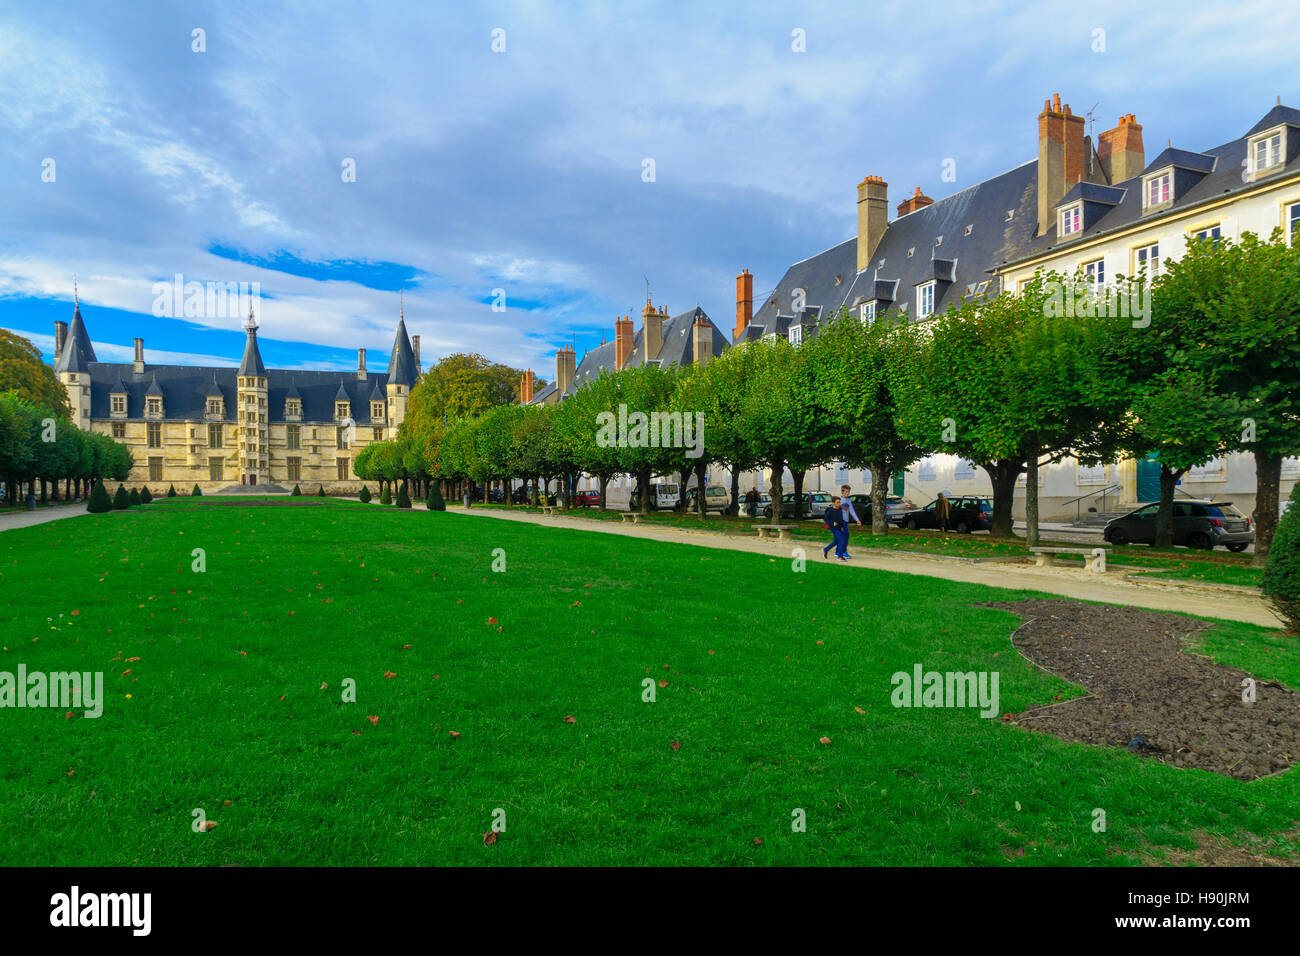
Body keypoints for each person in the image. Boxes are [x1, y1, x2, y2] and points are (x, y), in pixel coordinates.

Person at [839, 484, 863, 558]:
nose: (847, 493)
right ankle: (843, 552)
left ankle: (840, 551)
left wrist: (857, 520)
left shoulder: (848, 500)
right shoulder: (839, 500)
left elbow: (851, 511)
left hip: (845, 521)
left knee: (845, 536)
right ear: (842, 492)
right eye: (846, 492)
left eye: (848, 492)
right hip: (840, 521)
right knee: (843, 536)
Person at [823, 495, 848, 561]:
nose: (839, 504)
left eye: (839, 502)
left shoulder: (840, 509)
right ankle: (840, 556)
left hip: (839, 528)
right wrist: (832, 523)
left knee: (836, 542)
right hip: (834, 529)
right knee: (842, 541)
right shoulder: (831, 510)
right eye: (837, 502)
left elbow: (841, 519)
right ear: (833, 503)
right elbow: (825, 519)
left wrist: (842, 527)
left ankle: (825, 550)